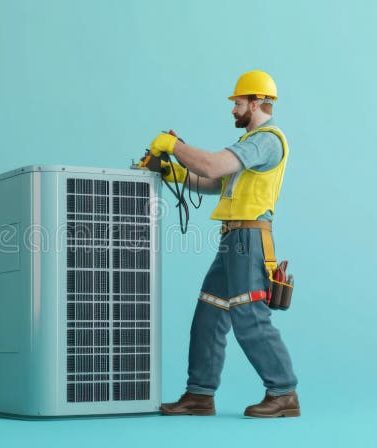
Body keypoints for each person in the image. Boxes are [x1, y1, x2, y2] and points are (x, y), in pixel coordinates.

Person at [148, 70, 300, 418]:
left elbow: (213, 165)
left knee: (249, 315)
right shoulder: (250, 146)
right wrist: (176, 173)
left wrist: (174, 146)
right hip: (232, 240)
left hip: (249, 239)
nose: (233, 109)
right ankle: (199, 395)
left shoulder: (266, 140)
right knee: (209, 313)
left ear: (257, 102)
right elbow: (214, 183)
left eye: (238, 103)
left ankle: (283, 392)